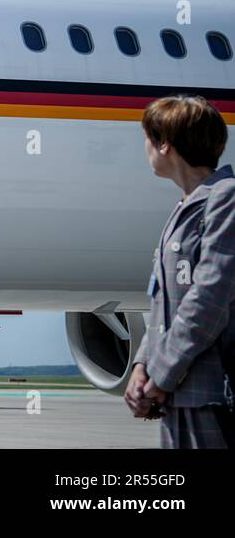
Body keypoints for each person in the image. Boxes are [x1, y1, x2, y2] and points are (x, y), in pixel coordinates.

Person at [124, 95, 234, 448]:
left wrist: (162, 373)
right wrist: (141, 367)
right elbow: (165, 306)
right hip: (179, 395)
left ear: (165, 143)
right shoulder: (185, 208)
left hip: (213, 397)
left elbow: (208, 301)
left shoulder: (225, 199)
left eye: (147, 138)